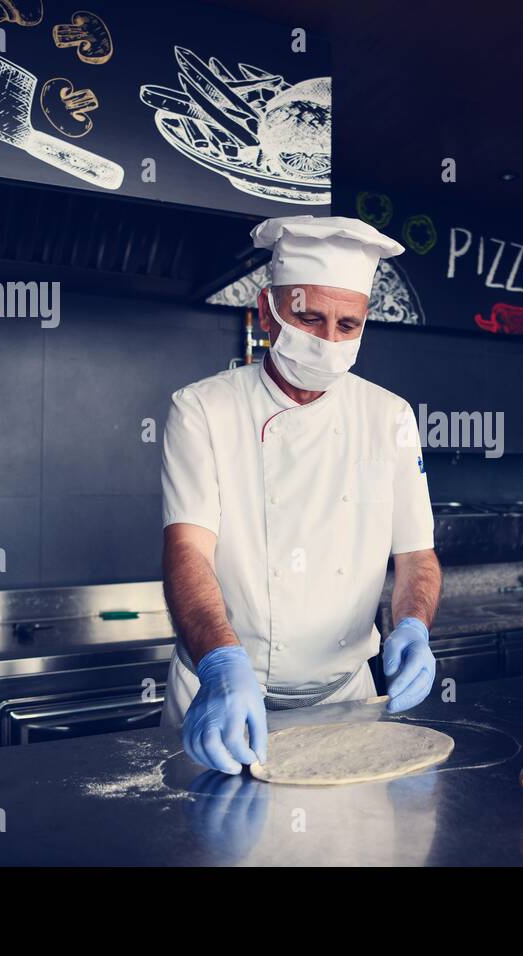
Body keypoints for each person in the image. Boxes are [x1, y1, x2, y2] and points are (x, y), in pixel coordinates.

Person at [160, 215, 442, 774]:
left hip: (347, 700)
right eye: (309, 318)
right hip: (222, 699)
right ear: (268, 311)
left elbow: (416, 557)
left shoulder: (388, 417)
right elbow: (188, 551)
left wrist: (413, 624)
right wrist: (219, 662)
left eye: (347, 325)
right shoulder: (202, 409)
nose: (327, 342)